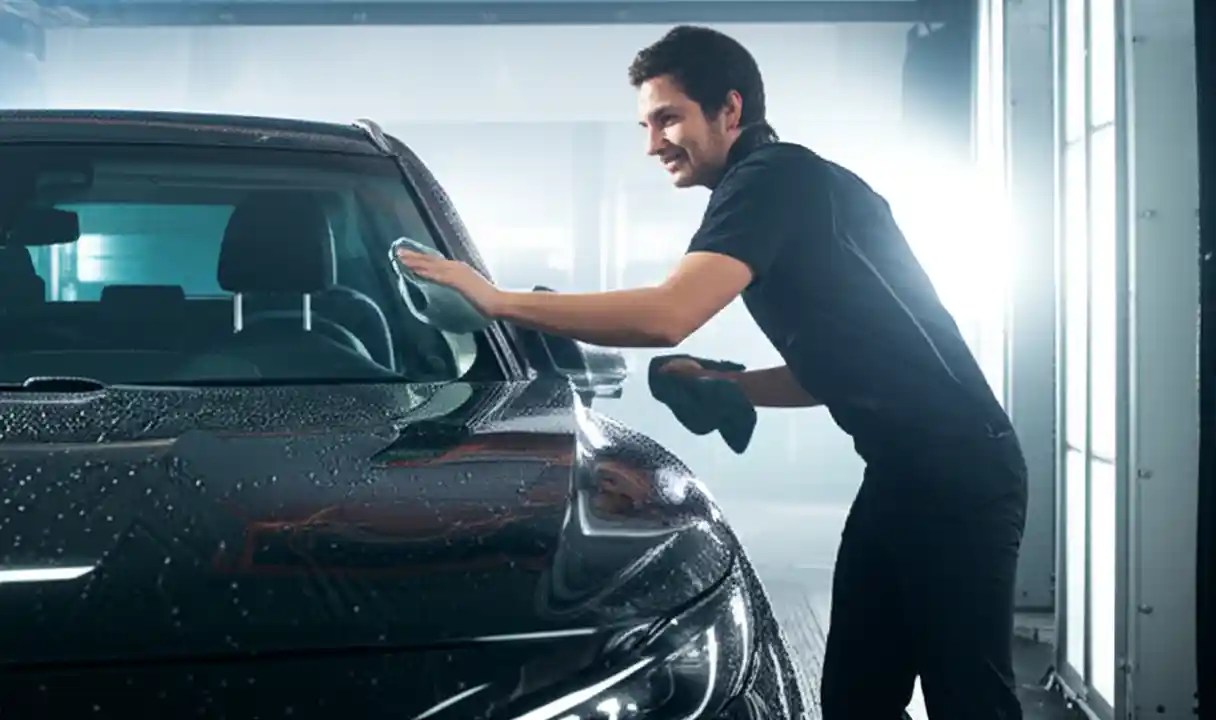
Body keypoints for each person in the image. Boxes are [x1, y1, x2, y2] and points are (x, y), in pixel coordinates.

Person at [397, 25, 1028, 720]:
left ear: (730, 110)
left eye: (668, 117)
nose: (652, 142)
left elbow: (669, 314)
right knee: (856, 697)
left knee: (969, 700)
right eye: (646, 122)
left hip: (961, 476)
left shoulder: (773, 179)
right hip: (904, 475)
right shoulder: (779, 188)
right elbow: (839, 371)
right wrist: (730, 387)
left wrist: (496, 301)